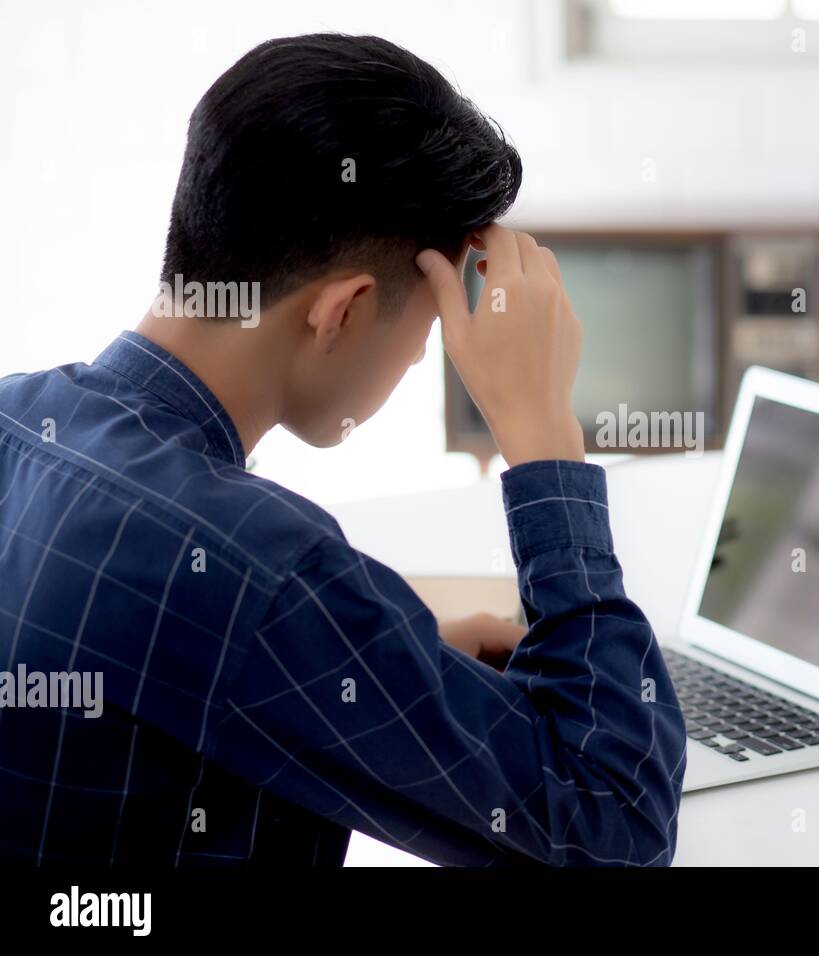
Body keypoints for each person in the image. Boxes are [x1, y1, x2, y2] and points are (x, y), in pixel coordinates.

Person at [0, 33, 686, 866]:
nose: (419, 353)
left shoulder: (16, 417)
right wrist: (544, 438)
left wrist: (386, 647)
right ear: (344, 311)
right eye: (432, 327)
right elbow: (615, 829)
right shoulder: (262, 573)